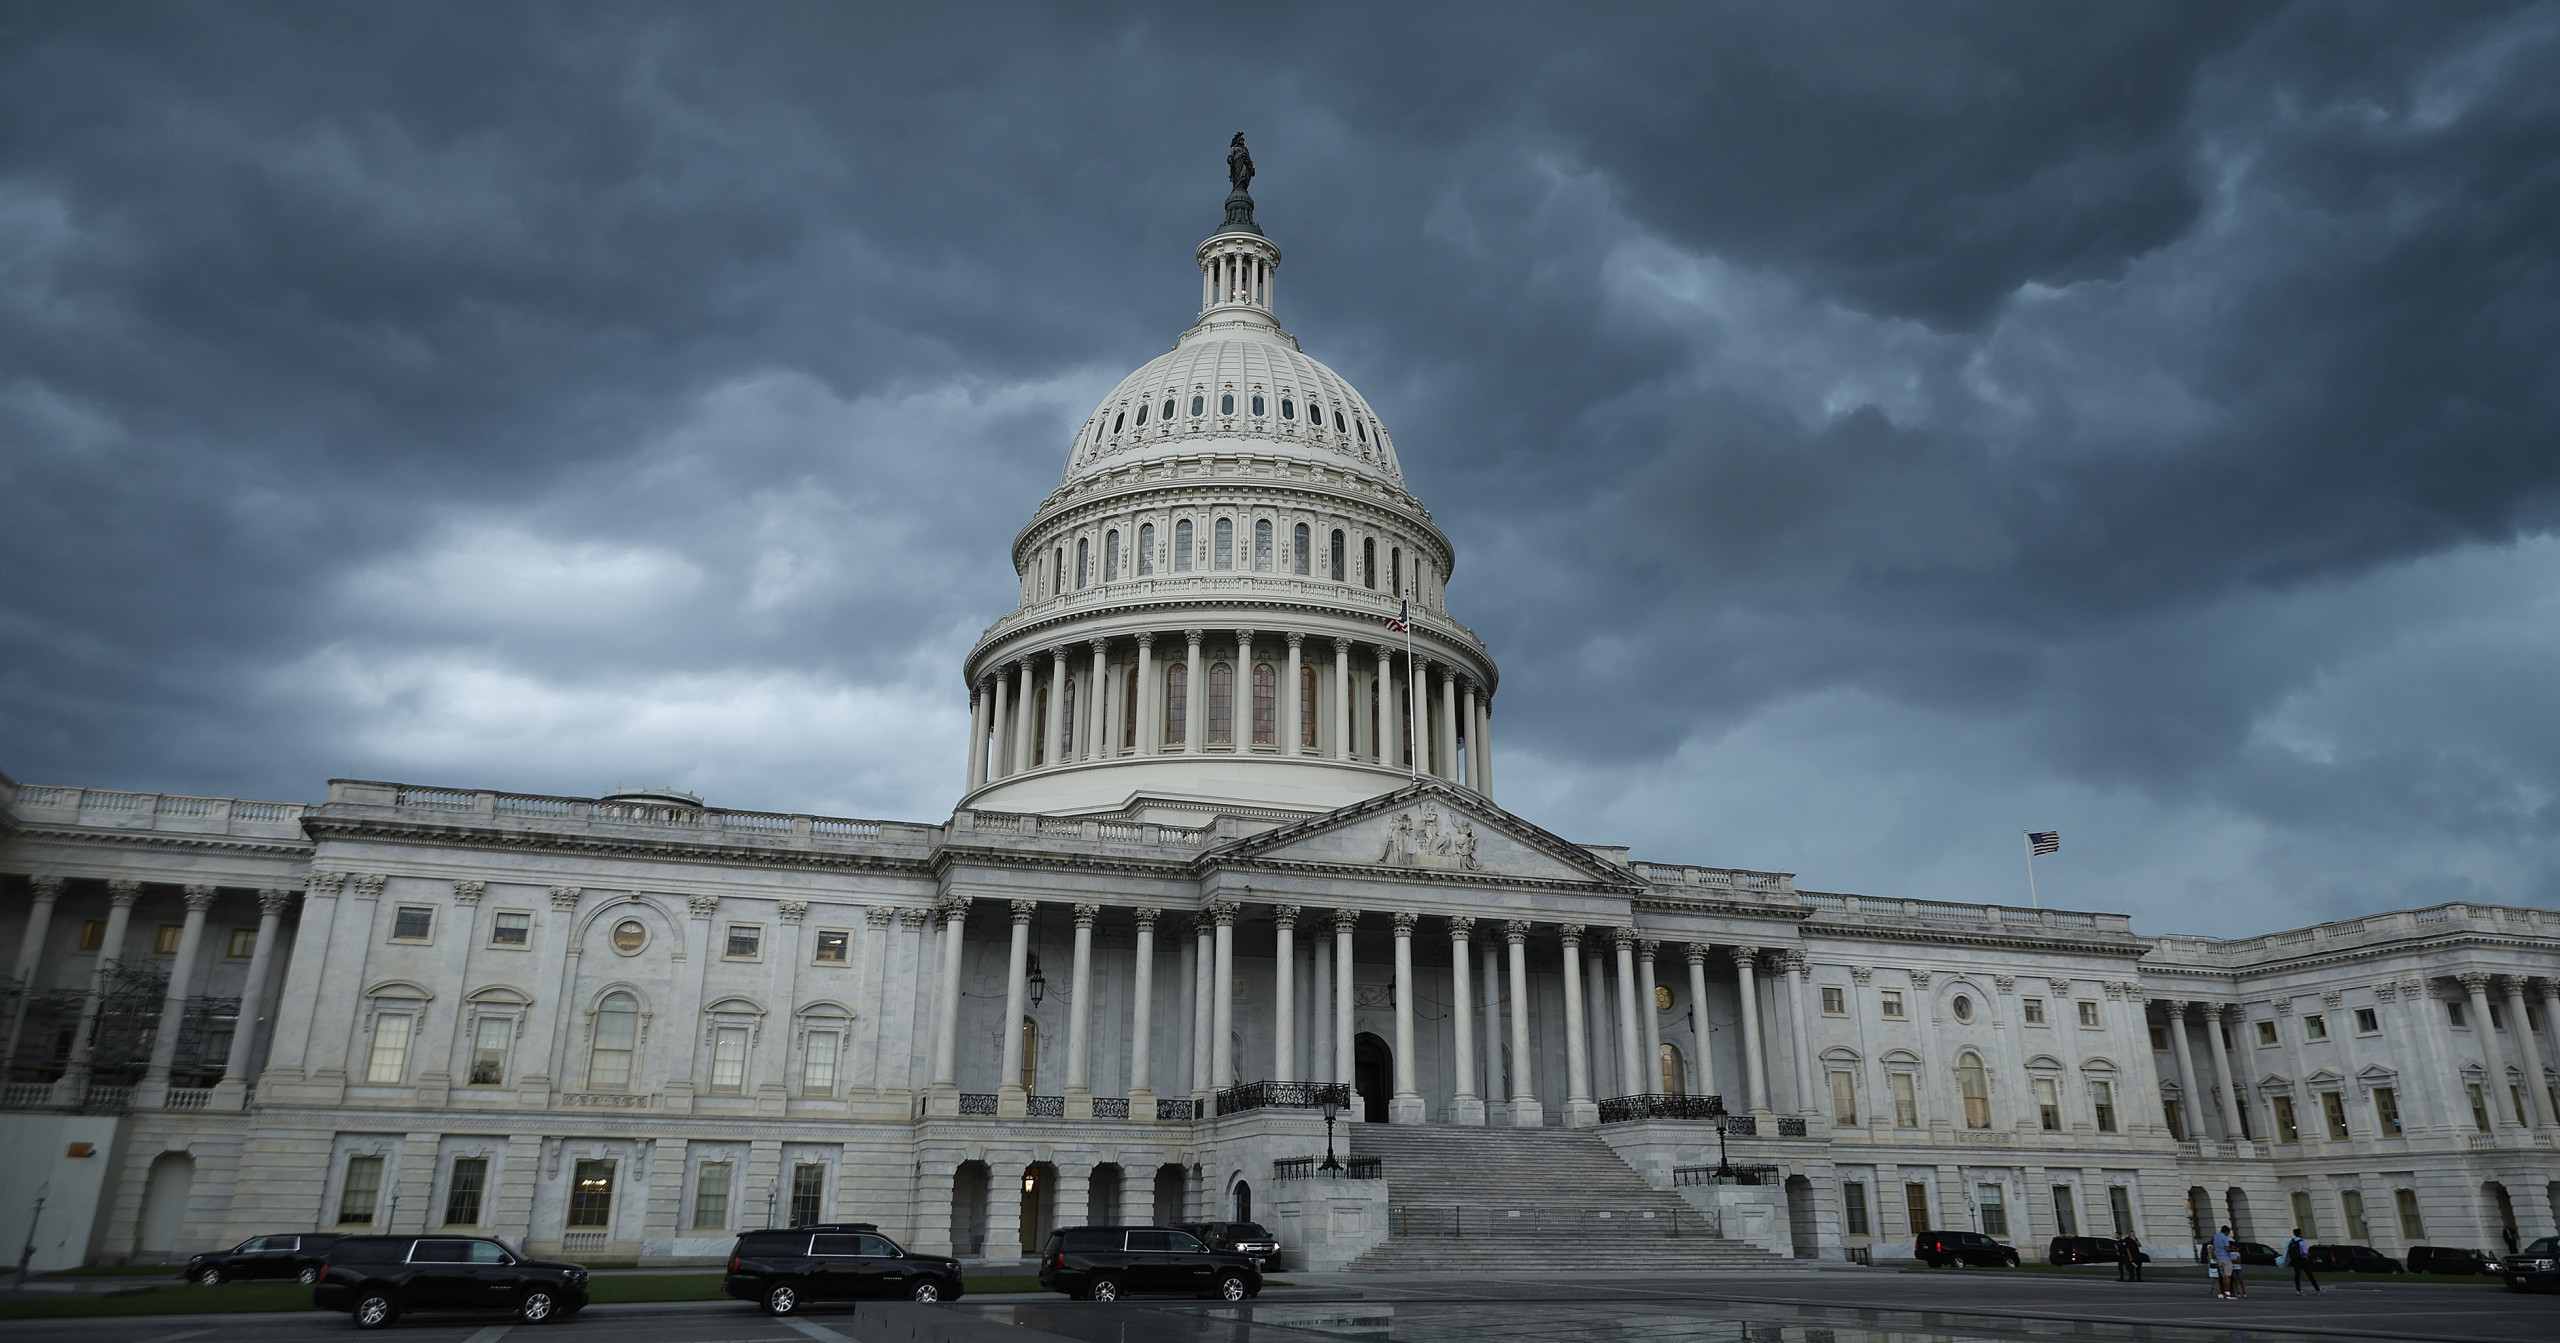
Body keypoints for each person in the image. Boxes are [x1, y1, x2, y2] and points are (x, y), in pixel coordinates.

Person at [2287, 1228, 2320, 1293]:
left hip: (2295, 1260)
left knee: (2297, 1275)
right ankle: (2317, 1289)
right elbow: (2305, 1252)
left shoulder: (2292, 1241)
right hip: (2302, 1259)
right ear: (2300, 1234)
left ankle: (2298, 1289)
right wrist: (2309, 1255)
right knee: (2309, 1274)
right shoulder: (2301, 1242)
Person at [2210, 1225, 2235, 1299]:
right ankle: (2228, 1292)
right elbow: (2227, 1248)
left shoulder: (2216, 1237)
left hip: (2218, 1258)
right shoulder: (2224, 1238)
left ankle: (2224, 1292)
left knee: (2223, 1276)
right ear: (2227, 1232)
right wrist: (2233, 1250)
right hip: (2225, 1258)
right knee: (2228, 1276)